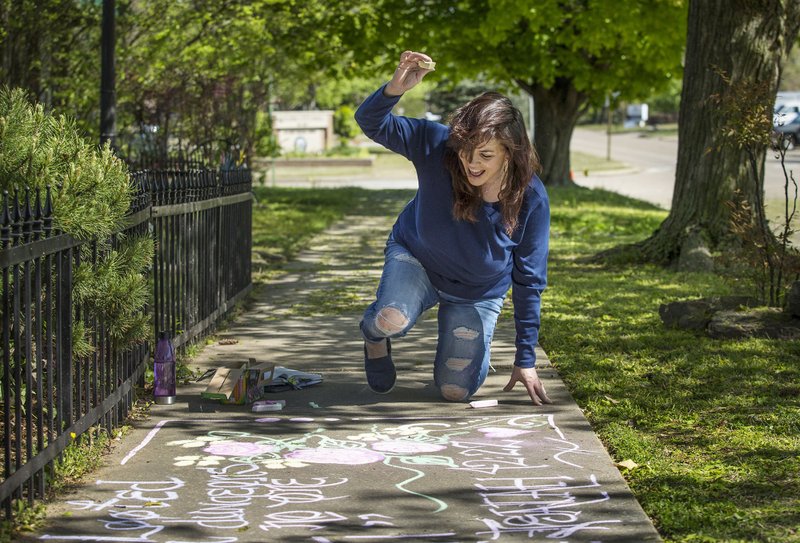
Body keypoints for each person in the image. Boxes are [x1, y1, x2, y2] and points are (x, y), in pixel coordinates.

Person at [355, 50, 551, 406]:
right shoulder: (436, 144)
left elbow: (529, 278)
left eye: (486, 156)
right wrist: (395, 88)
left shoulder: (531, 197)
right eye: (465, 151)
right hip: (418, 261)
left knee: (455, 391)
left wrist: (526, 358)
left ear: (510, 151)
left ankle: (460, 337)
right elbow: (372, 123)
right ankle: (373, 339)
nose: (472, 164)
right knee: (390, 319)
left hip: (477, 291)